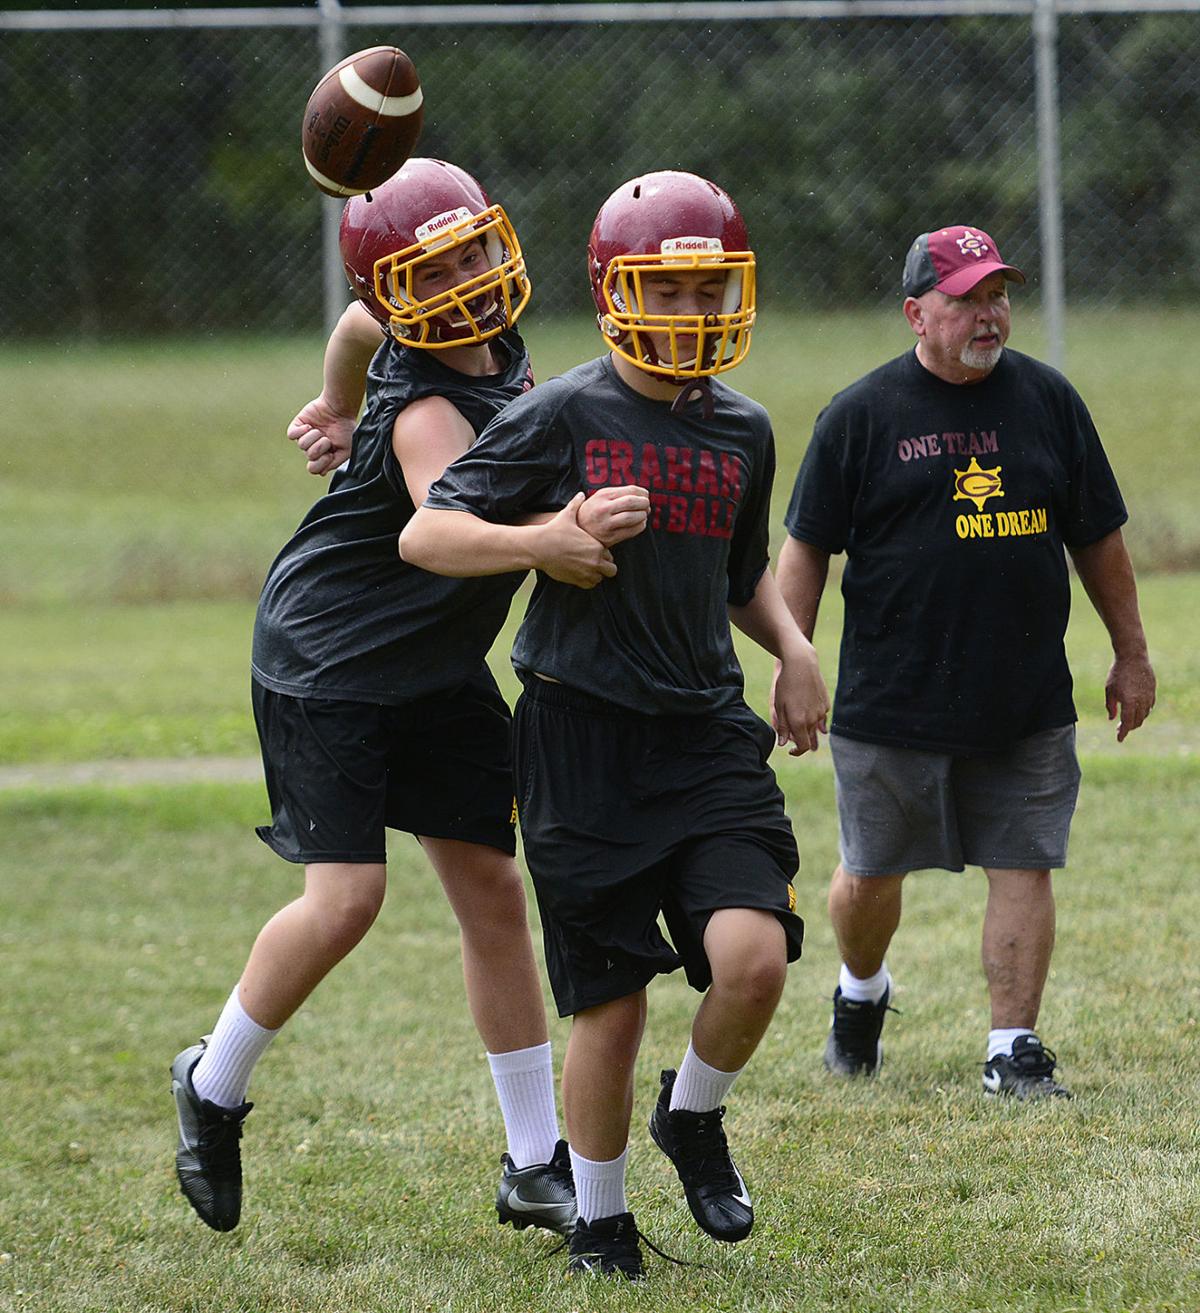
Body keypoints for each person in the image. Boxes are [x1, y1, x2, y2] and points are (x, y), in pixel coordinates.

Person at [400, 171, 829, 1278]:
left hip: (702, 731)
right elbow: (430, 536)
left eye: (707, 290)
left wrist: (793, 647)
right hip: (579, 737)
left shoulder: (744, 428)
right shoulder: (564, 410)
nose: (691, 314)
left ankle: (692, 1116)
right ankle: (599, 1218)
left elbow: (741, 580)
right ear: (613, 291)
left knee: (753, 960)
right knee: (613, 1000)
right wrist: (546, 538)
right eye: (667, 290)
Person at [170, 158, 609, 1238]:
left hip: (432, 664)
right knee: (347, 899)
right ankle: (212, 1084)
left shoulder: (471, 344)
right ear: (401, 289)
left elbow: (358, 329)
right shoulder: (428, 410)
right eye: (437, 265)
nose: (466, 275)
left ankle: (530, 1160)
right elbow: (439, 528)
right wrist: (544, 539)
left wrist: (331, 399)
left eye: (471, 248)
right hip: (330, 656)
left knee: (493, 894)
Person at [776, 223, 1156, 1100]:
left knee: (1024, 859)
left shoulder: (1049, 402)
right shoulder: (860, 416)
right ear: (916, 312)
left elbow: (1099, 539)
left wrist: (1131, 654)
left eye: (997, 296)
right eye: (965, 300)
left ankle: (1011, 1046)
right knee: (870, 874)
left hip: (1023, 696)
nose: (989, 315)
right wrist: (794, 660)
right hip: (892, 699)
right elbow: (806, 551)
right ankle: (861, 991)